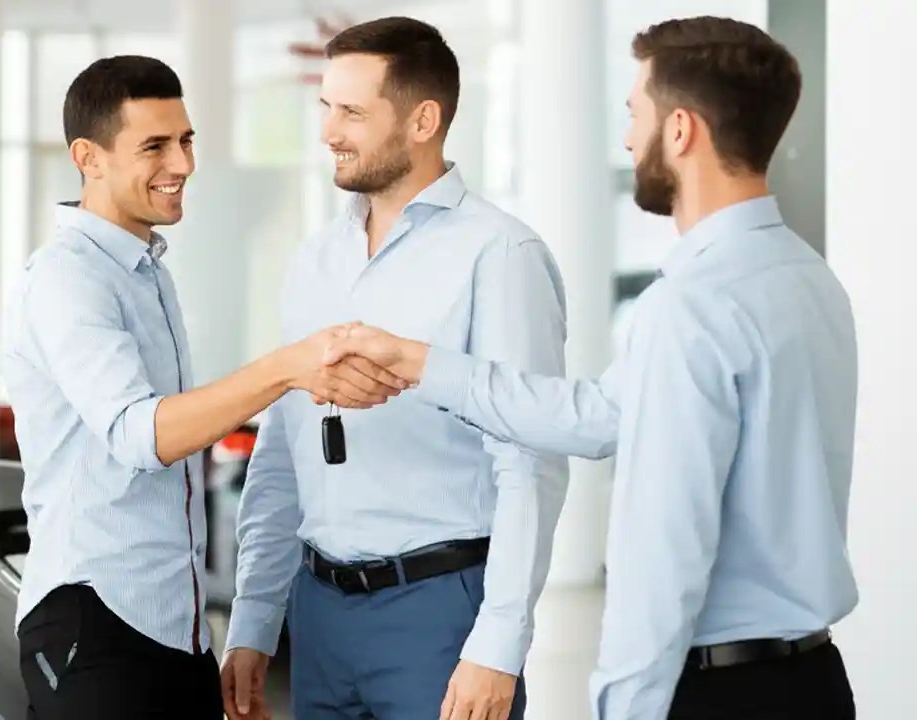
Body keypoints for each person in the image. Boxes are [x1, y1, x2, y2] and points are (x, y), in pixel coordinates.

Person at [324, 16, 858, 720]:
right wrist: (426, 365)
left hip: (718, 691)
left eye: (635, 113)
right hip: (813, 681)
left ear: (681, 131)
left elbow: (662, 562)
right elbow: (601, 416)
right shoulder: (807, 277)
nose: (628, 137)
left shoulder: (688, 309)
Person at [0, 55, 406, 719]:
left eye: (185, 141)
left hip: (174, 631)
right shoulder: (66, 280)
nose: (182, 164)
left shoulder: (147, 272)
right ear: (88, 157)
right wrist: (287, 366)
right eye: (154, 146)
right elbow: (141, 434)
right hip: (96, 624)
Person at [221, 17, 569, 720]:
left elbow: (530, 460)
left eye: (351, 111)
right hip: (317, 618)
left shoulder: (499, 255)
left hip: (440, 617)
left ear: (423, 120)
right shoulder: (315, 259)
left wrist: (498, 644)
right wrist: (255, 621)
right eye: (325, 107)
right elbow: (282, 455)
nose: (328, 131)